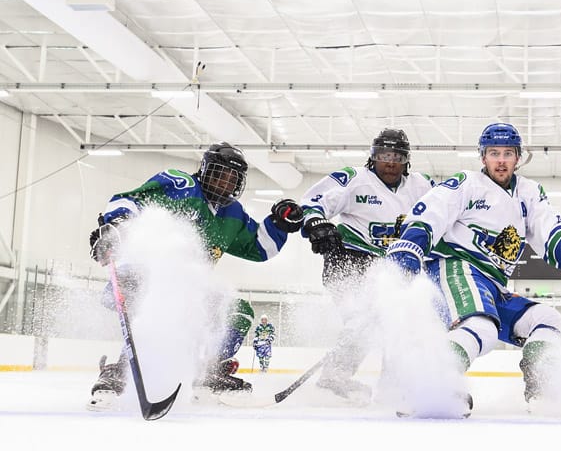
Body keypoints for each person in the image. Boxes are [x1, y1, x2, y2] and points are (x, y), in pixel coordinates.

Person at [385, 122, 561, 416]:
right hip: (456, 267)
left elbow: (548, 226)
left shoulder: (529, 193)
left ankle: (542, 389)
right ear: (483, 157)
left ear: (518, 157)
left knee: (547, 319)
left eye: (507, 153)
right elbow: (434, 211)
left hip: (492, 284)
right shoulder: (467, 184)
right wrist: (412, 244)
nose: (501, 160)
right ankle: (432, 383)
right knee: (481, 327)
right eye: (494, 153)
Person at [87, 142, 303, 409]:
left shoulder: (232, 214)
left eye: (232, 178)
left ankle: (210, 373)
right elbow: (129, 200)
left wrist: (280, 223)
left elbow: (259, 248)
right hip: (139, 276)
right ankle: (117, 373)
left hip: (189, 293)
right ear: (204, 169)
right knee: (156, 306)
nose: (225, 182)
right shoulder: (181, 185)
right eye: (219, 174)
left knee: (238, 311)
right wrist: (115, 228)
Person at [298, 128, 435, 401]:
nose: (391, 162)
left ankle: (394, 384)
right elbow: (311, 202)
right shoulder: (354, 179)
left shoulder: (422, 186)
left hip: (391, 268)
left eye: (397, 156)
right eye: (385, 155)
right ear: (373, 157)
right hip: (348, 260)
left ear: (406, 160)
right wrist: (317, 223)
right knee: (362, 318)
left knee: (400, 322)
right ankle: (334, 376)